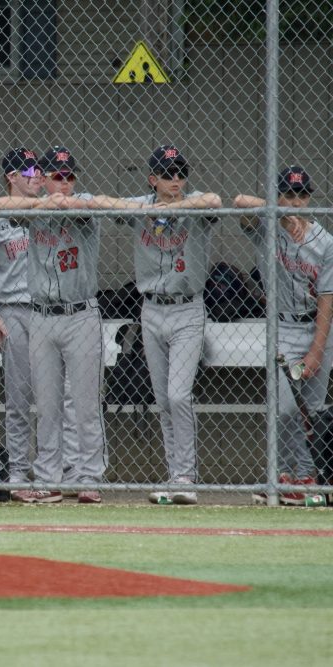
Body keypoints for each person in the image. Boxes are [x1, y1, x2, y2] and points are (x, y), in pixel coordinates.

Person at [95, 145, 221, 505]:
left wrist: (175, 207)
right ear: (153, 179)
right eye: (167, 174)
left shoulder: (194, 201)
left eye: (181, 172)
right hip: (151, 309)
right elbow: (103, 201)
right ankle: (175, 475)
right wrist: (148, 209)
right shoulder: (142, 204)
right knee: (164, 399)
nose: (176, 180)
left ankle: (187, 476)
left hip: (187, 309)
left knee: (179, 394)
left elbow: (214, 200)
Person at [0, 146, 106, 503]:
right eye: (57, 176)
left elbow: (95, 203)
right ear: (45, 179)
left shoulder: (80, 202)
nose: (64, 183)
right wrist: (44, 204)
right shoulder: (34, 209)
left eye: (69, 176)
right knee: (48, 404)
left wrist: (70, 202)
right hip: (40, 315)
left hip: (81, 313)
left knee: (84, 404)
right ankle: (49, 478)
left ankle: (89, 478)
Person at [0, 147, 79, 499]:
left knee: (59, 397)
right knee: (18, 397)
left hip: (52, 310)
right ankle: (16, 472)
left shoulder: (49, 211)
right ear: (11, 177)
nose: (37, 177)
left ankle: (61, 470)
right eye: (29, 172)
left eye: (39, 171)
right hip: (13, 311)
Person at [236, 166, 333, 505]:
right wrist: (277, 213)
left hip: (316, 327)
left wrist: (316, 352)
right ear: (278, 195)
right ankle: (284, 474)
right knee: (285, 408)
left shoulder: (324, 242)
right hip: (282, 326)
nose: (295, 201)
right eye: (288, 194)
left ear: (310, 198)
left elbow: (326, 300)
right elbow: (239, 202)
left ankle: (305, 478)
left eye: (301, 195)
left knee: (314, 407)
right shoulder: (268, 225)